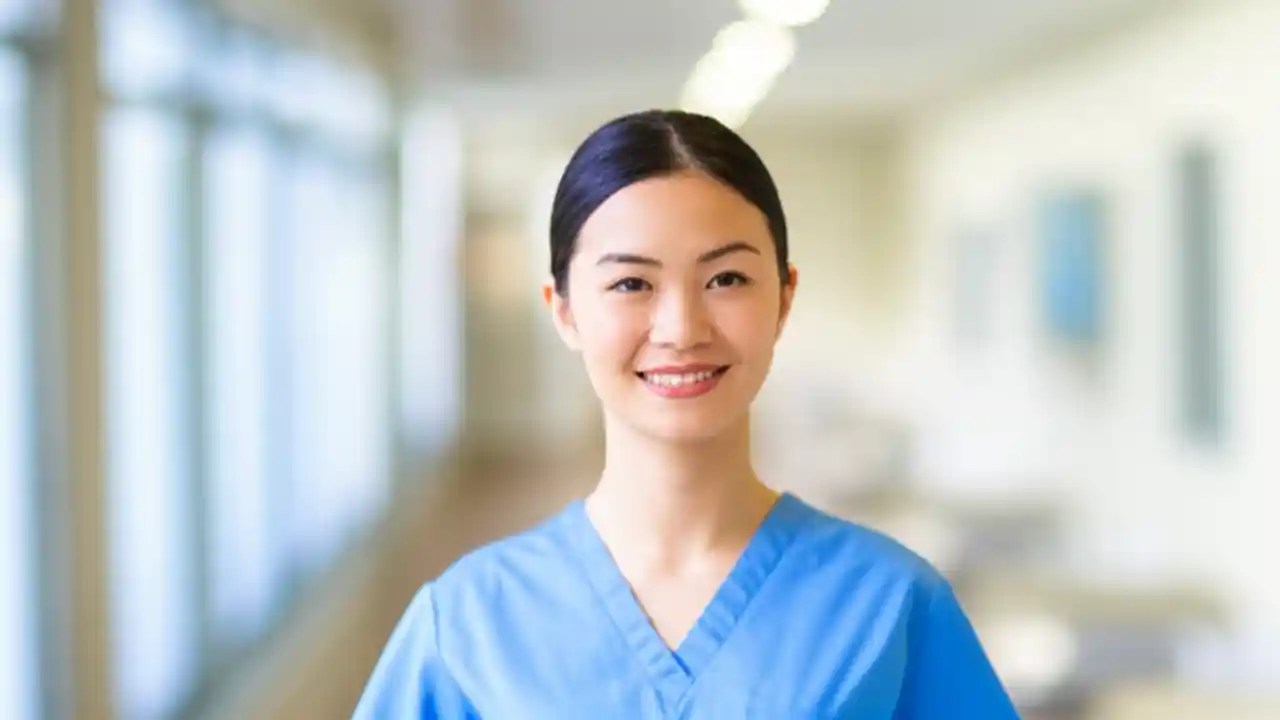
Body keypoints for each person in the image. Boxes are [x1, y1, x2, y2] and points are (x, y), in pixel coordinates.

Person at [353, 109, 1021, 719]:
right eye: (631, 284)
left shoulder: (890, 607)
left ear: (784, 298)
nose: (681, 328)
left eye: (726, 279)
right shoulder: (469, 623)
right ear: (563, 309)